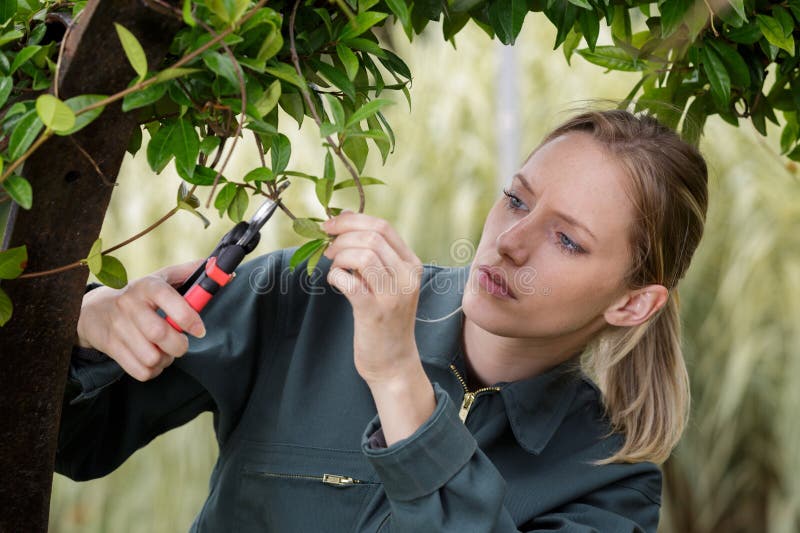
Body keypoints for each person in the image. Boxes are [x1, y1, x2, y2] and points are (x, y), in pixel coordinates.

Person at [57, 108, 708, 532]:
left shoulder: (610, 484)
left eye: (567, 240)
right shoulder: (314, 295)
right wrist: (86, 322)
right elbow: (70, 440)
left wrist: (398, 377)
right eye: (516, 199)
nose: (512, 241)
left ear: (631, 303)